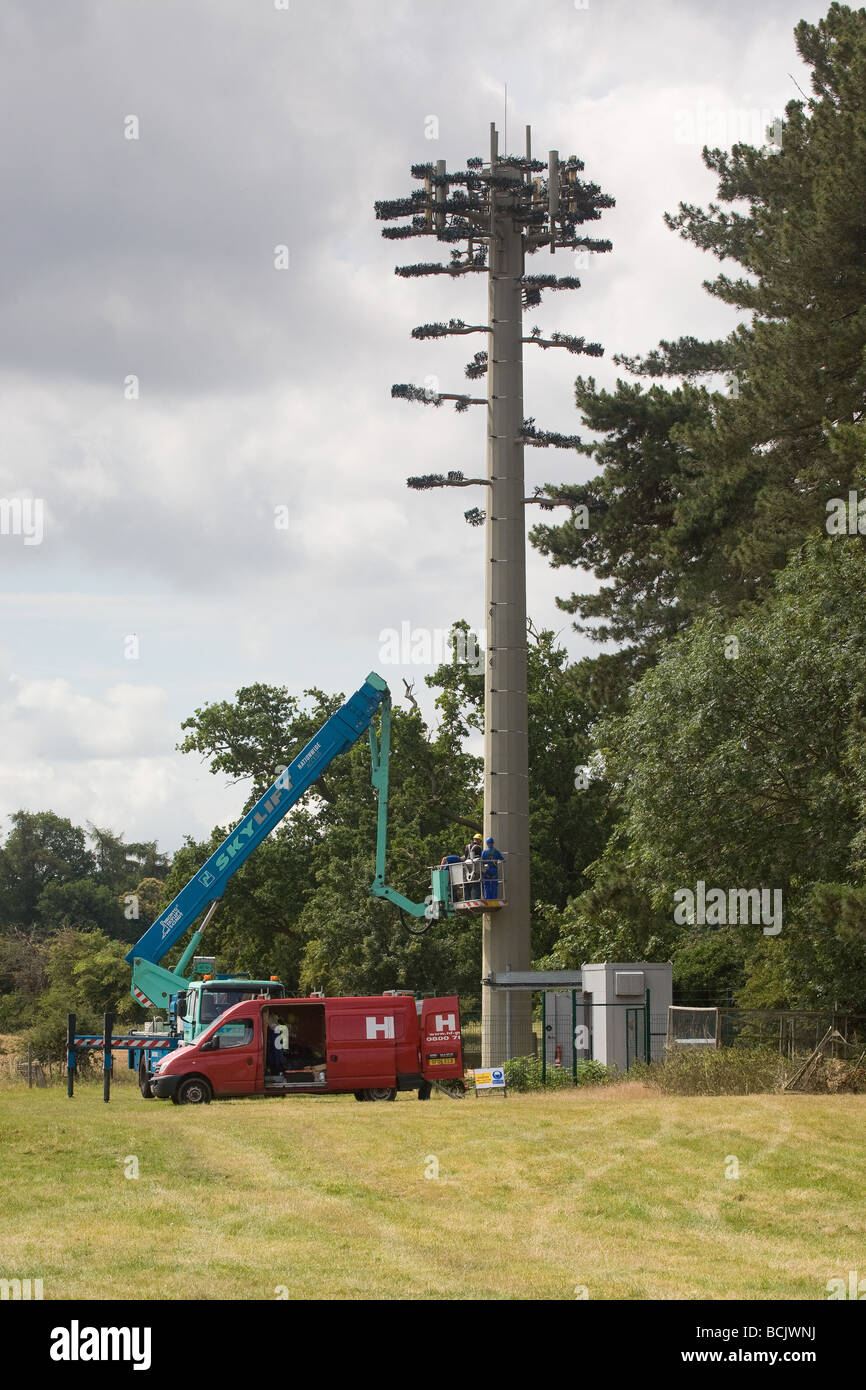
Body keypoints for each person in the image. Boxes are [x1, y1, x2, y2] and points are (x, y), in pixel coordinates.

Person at [481, 836, 504, 900]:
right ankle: (494, 898)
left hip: (486, 870)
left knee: (487, 885)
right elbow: (502, 859)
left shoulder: (484, 852)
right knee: (494, 885)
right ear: (493, 843)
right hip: (494, 870)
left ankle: (488, 898)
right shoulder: (496, 852)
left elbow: (481, 862)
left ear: (487, 844)